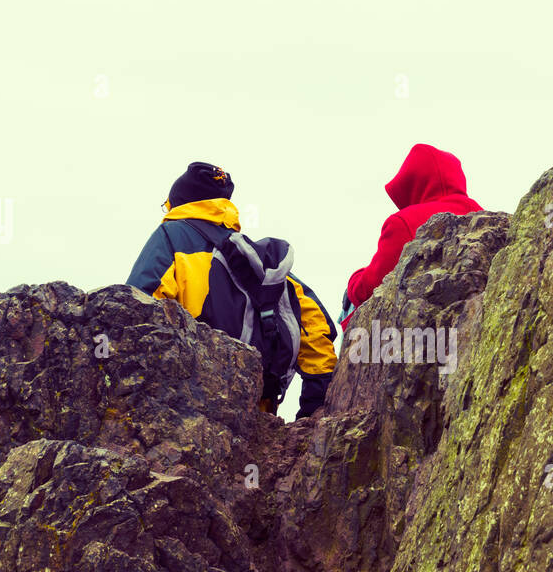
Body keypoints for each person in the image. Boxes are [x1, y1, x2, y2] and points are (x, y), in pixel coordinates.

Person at [127, 162, 337, 419]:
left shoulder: (170, 237)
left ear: (176, 205)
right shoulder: (260, 266)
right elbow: (317, 332)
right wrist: (310, 417)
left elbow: (135, 315)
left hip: (188, 415)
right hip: (257, 422)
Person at [339, 143, 482, 327]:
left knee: (349, 304)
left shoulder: (403, 222)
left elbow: (369, 287)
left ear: (411, 181)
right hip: (477, 320)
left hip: (418, 330)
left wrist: (354, 279)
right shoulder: (481, 215)